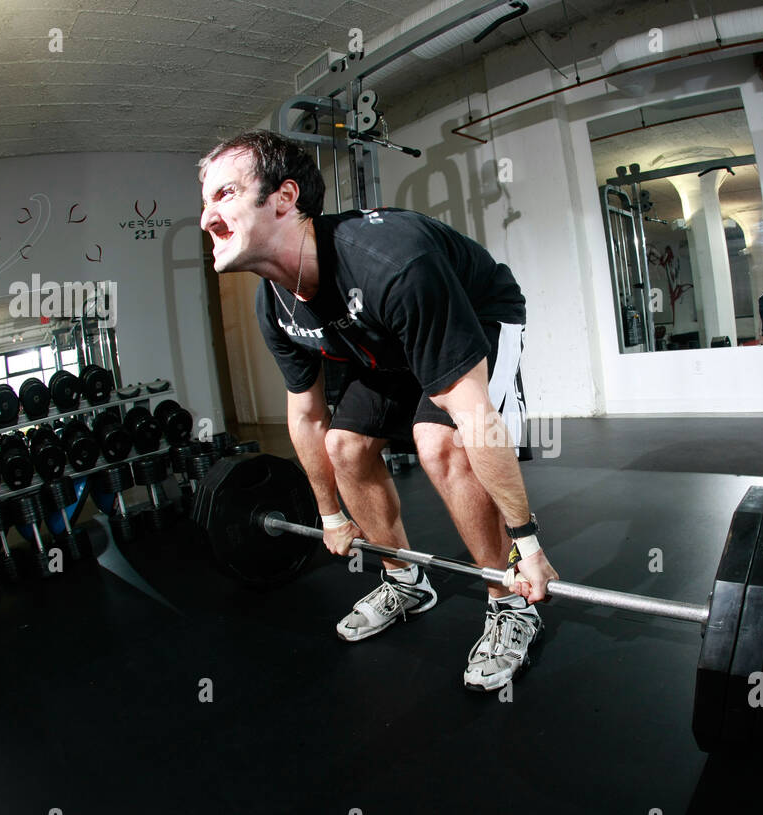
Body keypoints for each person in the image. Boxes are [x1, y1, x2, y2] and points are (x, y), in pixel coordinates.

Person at [198, 130, 559, 691]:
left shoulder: (392, 261)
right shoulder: (274, 303)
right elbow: (308, 417)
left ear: (284, 198)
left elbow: (472, 417)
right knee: (345, 446)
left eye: (223, 195)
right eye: (204, 202)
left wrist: (527, 542)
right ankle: (404, 578)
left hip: (476, 310)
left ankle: (510, 601)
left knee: (439, 441)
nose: (206, 218)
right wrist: (330, 515)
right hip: (382, 338)